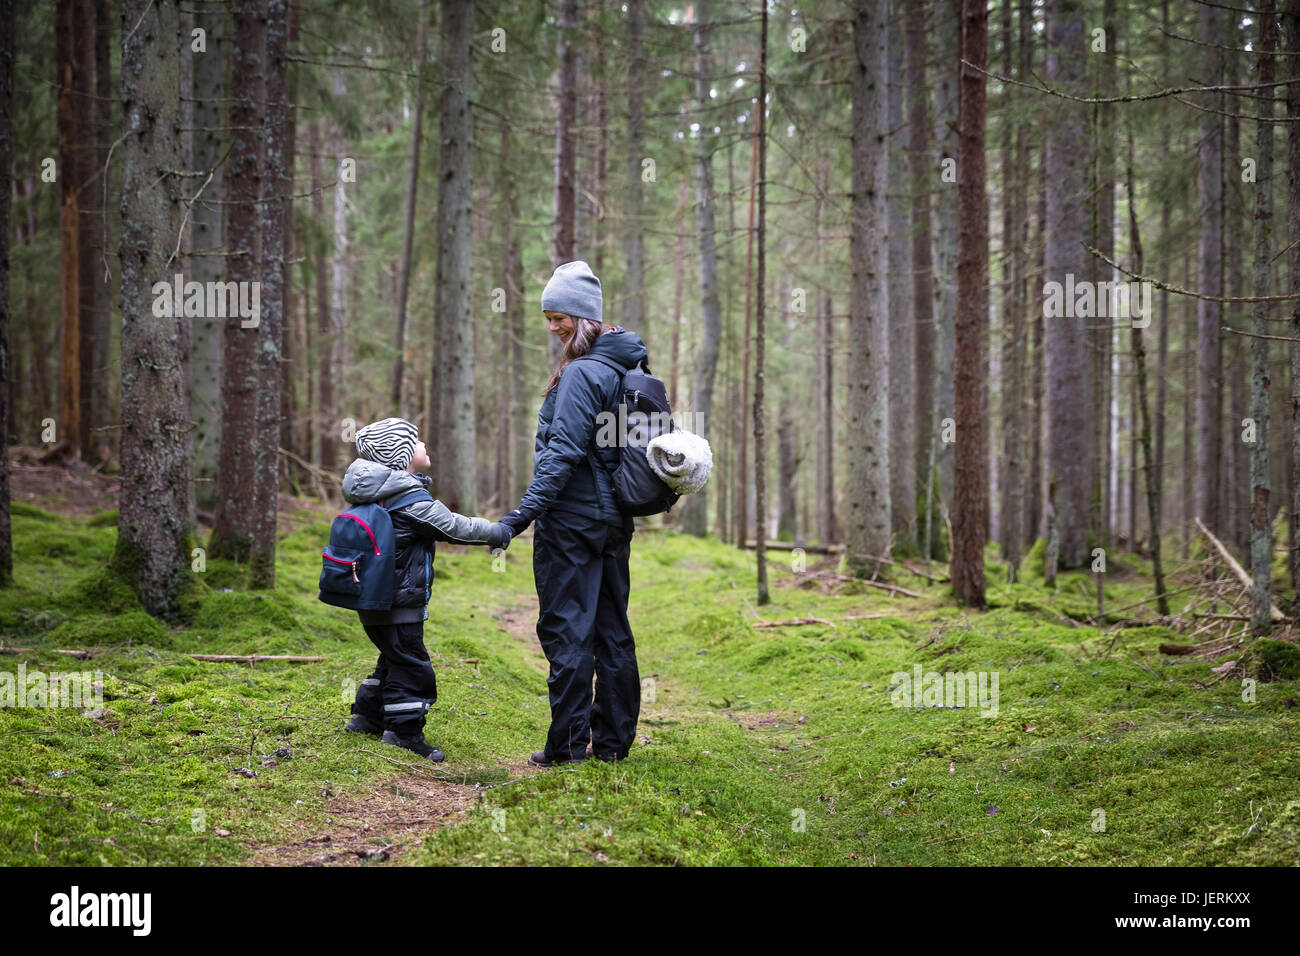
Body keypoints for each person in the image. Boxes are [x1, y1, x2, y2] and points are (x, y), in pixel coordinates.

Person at [498, 261, 647, 767]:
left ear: (587, 317)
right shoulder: (628, 369)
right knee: (612, 628)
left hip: (572, 521)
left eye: (561, 316)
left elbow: (562, 452)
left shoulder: (583, 373)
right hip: (613, 521)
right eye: (549, 318)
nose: (555, 327)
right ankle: (610, 746)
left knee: (567, 628)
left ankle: (566, 748)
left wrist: (521, 516)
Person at [340, 417, 512, 762]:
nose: (423, 445)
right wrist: (496, 532)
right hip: (399, 600)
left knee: (392, 659)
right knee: (412, 665)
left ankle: (367, 716)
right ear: (400, 455)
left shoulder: (375, 495)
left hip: (372, 598)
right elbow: (453, 526)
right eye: (415, 442)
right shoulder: (408, 498)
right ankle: (404, 732)